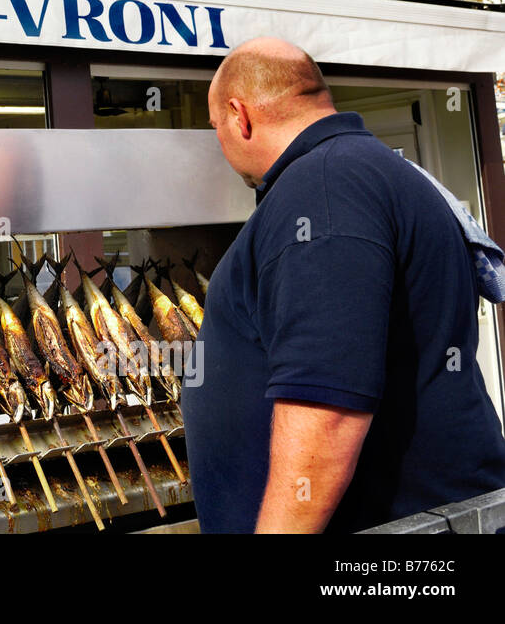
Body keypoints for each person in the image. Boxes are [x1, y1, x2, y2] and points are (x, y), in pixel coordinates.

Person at [183, 37, 505, 533]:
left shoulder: (323, 191)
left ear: (238, 115)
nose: (221, 144)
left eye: (215, 129)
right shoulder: (369, 171)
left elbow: (326, 410)